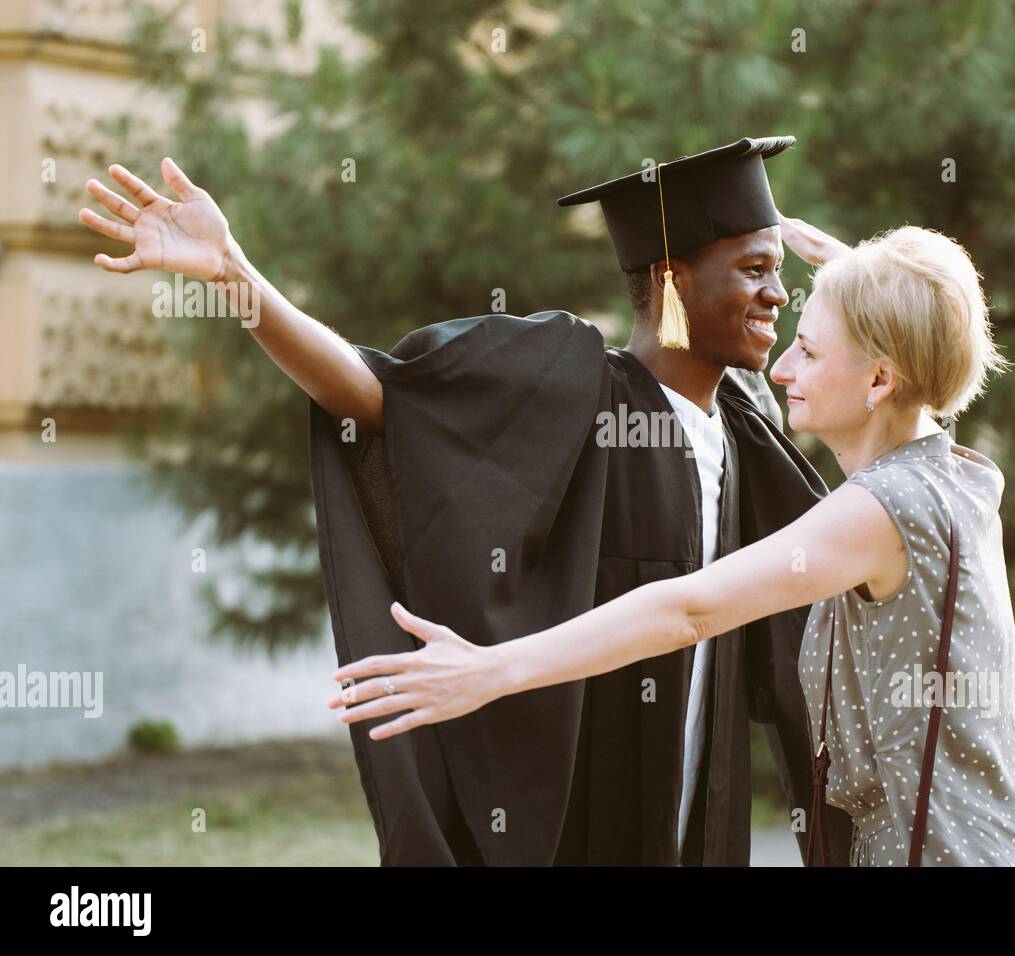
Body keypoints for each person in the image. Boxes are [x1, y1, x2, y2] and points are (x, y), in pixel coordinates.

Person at [77, 138, 855, 866]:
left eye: (778, 271)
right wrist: (233, 275)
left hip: (700, 814)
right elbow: (376, 396)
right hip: (580, 809)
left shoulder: (747, 433)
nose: (778, 294)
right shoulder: (570, 379)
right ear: (671, 280)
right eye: (754, 269)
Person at [331, 222, 1015, 866]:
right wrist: (858, 273)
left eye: (812, 352)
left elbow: (689, 611)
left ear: (881, 381)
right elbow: (924, 328)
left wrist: (493, 668)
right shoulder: (958, 479)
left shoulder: (880, 510)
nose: (782, 366)